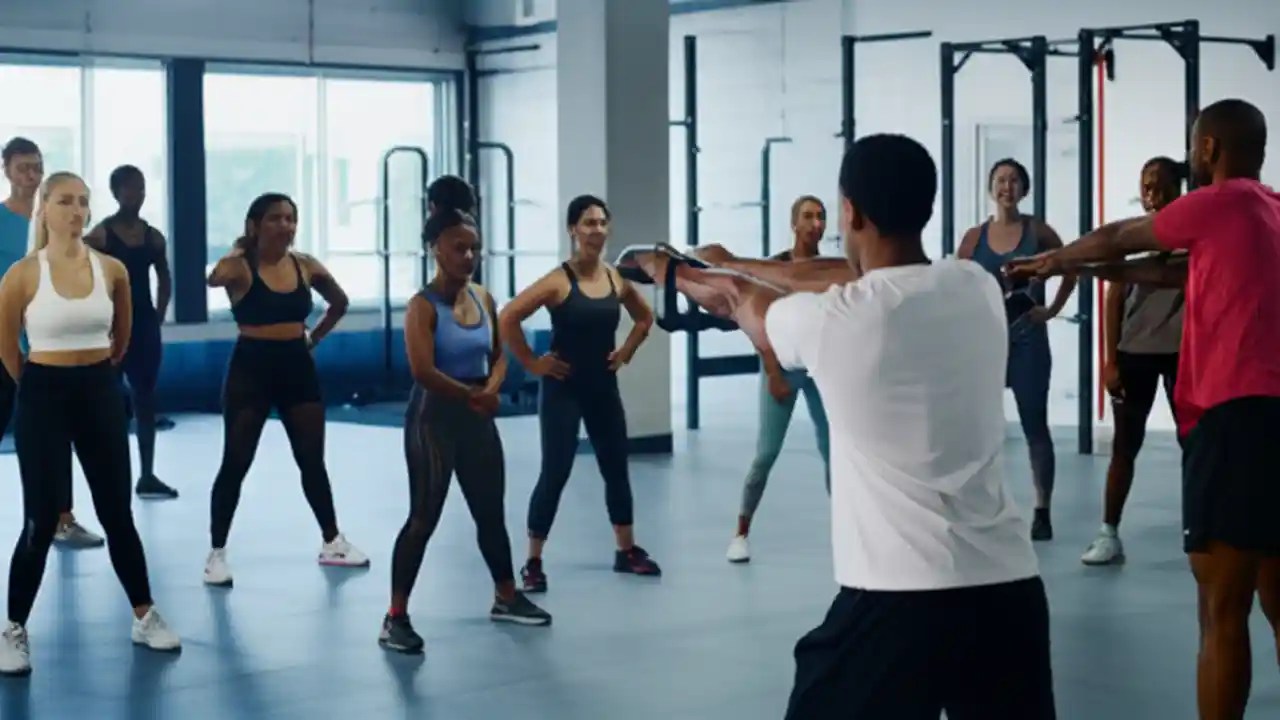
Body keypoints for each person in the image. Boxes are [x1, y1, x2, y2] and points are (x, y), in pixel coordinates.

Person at [670, 134, 1055, 717]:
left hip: (897, 601)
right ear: (927, 208)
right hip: (1009, 592)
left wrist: (669, 269)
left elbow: (735, 301)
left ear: (848, 212)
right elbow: (829, 273)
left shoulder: (833, 320)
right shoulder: (974, 284)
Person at [1006, 98, 1280, 720]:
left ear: (1208, 148)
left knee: (1220, 610)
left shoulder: (1221, 201)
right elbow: (1168, 272)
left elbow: (1120, 237)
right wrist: (1069, 263)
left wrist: (1061, 258)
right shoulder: (1270, 210)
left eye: (1193, 145)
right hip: (1273, 415)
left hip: (1233, 418)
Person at [0, 172, 181, 676]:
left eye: (83, 202)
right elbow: (8, 349)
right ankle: (13, 628)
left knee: (117, 513)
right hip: (42, 395)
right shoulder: (22, 274)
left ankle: (144, 614)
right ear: (45, 209)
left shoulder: (114, 270)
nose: (76, 211)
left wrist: (98, 376)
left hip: (100, 393)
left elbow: (122, 337)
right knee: (39, 521)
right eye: (65, 202)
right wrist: (39, 386)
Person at [380, 203, 551, 654]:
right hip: (434, 418)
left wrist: (491, 385)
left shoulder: (483, 298)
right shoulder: (423, 307)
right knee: (423, 519)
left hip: (476, 415)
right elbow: (422, 370)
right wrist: (472, 395)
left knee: (490, 513)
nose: (469, 256)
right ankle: (395, 617)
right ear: (436, 249)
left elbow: (497, 353)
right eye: (459, 248)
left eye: (474, 248)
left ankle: (506, 596)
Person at [203, 192, 367, 586]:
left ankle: (332, 541)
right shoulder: (241, 267)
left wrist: (314, 338)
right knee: (236, 463)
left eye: (291, 218)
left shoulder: (305, 265)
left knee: (312, 460)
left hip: (297, 366)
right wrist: (241, 246)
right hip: (251, 369)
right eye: (275, 218)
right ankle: (216, 554)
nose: (286, 226)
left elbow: (339, 303)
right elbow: (214, 277)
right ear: (256, 224)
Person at [499, 194, 661, 593]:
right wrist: (533, 363)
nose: (597, 231)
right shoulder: (559, 281)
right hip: (563, 390)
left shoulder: (613, 277)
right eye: (588, 223)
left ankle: (625, 551)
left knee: (616, 467)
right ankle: (533, 561)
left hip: (603, 388)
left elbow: (645, 317)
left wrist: (626, 352)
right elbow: (509, 317)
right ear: (573, 229)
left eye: (602, 223)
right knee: (556, 471)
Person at [956, 158, 1078, 541]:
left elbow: (1070, 265)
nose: (1006, 186)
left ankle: (1042, 510)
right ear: (991, 189)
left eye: (1013, 180)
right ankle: (981, 505)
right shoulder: (974, 238)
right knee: (979, 430)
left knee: (1034, 427)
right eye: (1000, 180)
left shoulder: (1037, 232)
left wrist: (1053, 309)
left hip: (1028, 342)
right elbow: (957, 283)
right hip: (986, 344)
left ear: (1024, 189)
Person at [1080, 157, 1186, 566]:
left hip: (1182, 356)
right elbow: (1113, 297)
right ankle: (1108, 533)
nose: (1152, 195)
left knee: (1193, 445)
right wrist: (1110, 361)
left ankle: (1203, 528)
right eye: (1146, 186)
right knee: (1125, 448)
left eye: (1161, 186)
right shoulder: (1132, 235)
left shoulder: (1193, 236)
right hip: (1134, 354)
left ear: (1179, 188)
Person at [0, 138, 104, 549]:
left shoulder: (57, 220)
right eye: (24, 167)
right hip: (7, 341)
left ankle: (61, 518)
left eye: (38, 167)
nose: (31, 175)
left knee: (57, 432)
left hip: (51, 344)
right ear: (6, 170)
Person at [726, 196, 831, 564]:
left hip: (820, 367)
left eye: (820, 216)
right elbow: (758, 324)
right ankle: (741, 532)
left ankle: (847, 528)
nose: (815, 223)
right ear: (793, 223)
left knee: (834, 451)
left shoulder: (830, 269)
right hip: (783, 366)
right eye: (807, 216)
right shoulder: (773, 269)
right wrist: (772, 371)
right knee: (766, 454)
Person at [85, 164, 177, 500]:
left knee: (146, 399)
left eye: (141, 188)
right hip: (110, 328)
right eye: (130, 188)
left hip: (144, 325)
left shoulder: (153, 237)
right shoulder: (101, 235)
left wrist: (159, 315)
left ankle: (147, 475)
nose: (137, 194)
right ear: (116, 193)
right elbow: (82, 272)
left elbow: (165, 278)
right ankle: (110, 474)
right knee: (108, 402)